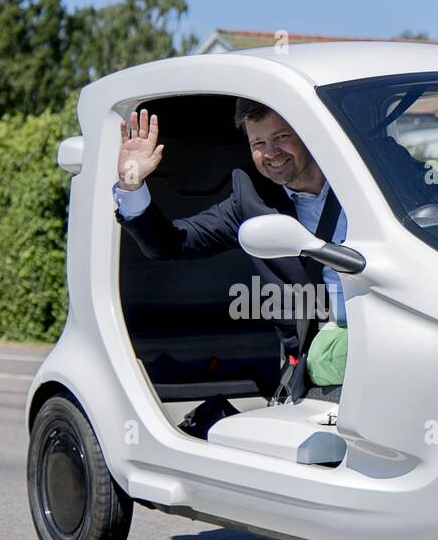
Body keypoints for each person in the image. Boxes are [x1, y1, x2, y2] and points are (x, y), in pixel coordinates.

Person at [112, 100, 349, 402]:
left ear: (308, 133)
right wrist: (131, 183)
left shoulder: (362, 173)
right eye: (259, 143)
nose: (271, 153)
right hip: (325, 354)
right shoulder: (250, 197)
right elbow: (169, 243)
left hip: (395, 317)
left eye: (281, 137)